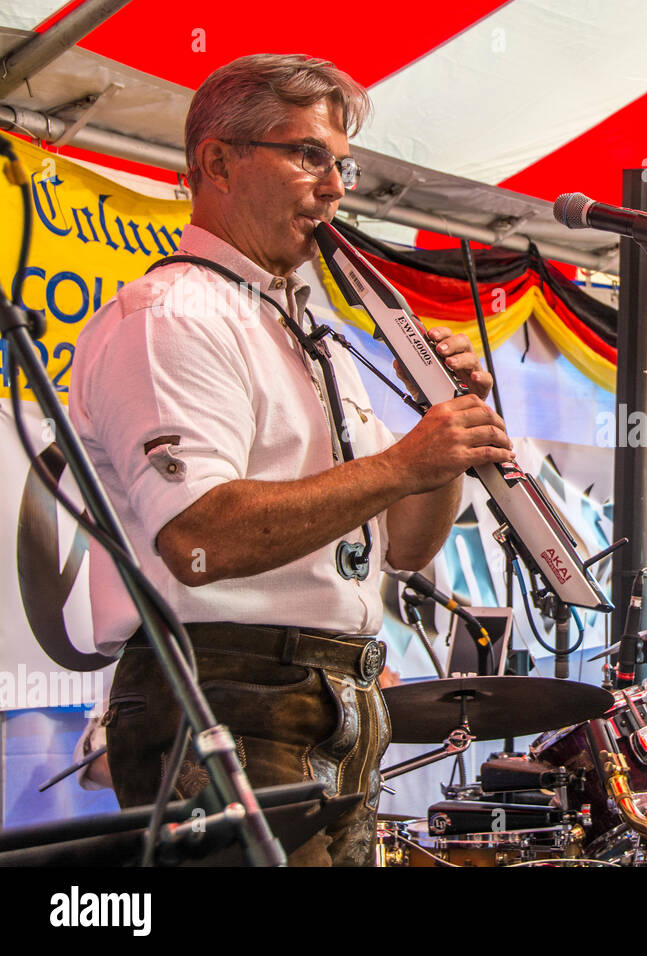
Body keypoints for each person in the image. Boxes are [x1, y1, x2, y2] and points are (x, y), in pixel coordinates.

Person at [68, 54, 513, 865]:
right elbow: (202, 540)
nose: (336, 186)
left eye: (342, 163)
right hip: (224, 692)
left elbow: (406, 548)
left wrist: (436, 432)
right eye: (308, 154)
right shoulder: (173, 316)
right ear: (217, 162)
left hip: (327, 694)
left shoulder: (310, 332)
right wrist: (405, 461)